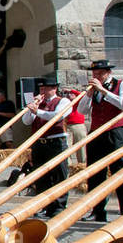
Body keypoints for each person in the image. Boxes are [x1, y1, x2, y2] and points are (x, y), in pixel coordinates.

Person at [79, 59, 123, 223]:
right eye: (94, 73)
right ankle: (97, 211)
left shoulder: (122, 84)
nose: (96, 76)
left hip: (115, 132)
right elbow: (82, 111)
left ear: (108, 73)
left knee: (120, 171)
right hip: (96, 132)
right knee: (95, 173)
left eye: (100, 73)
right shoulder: (93, 89)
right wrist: (89, 94)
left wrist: (103, 91)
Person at [22, 75, 73, 217]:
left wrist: (37, 111)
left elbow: (56, 116)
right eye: (41, 89)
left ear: (54, 89)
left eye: (45, 89)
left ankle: (59, 206)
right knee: (41, 176)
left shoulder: (63, 101)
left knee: (59, 174)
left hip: (56, 141)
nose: (42, 92)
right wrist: (32, 108)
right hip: (40, 142)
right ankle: (43, 206)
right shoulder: (38, 103)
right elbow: (26, 121)